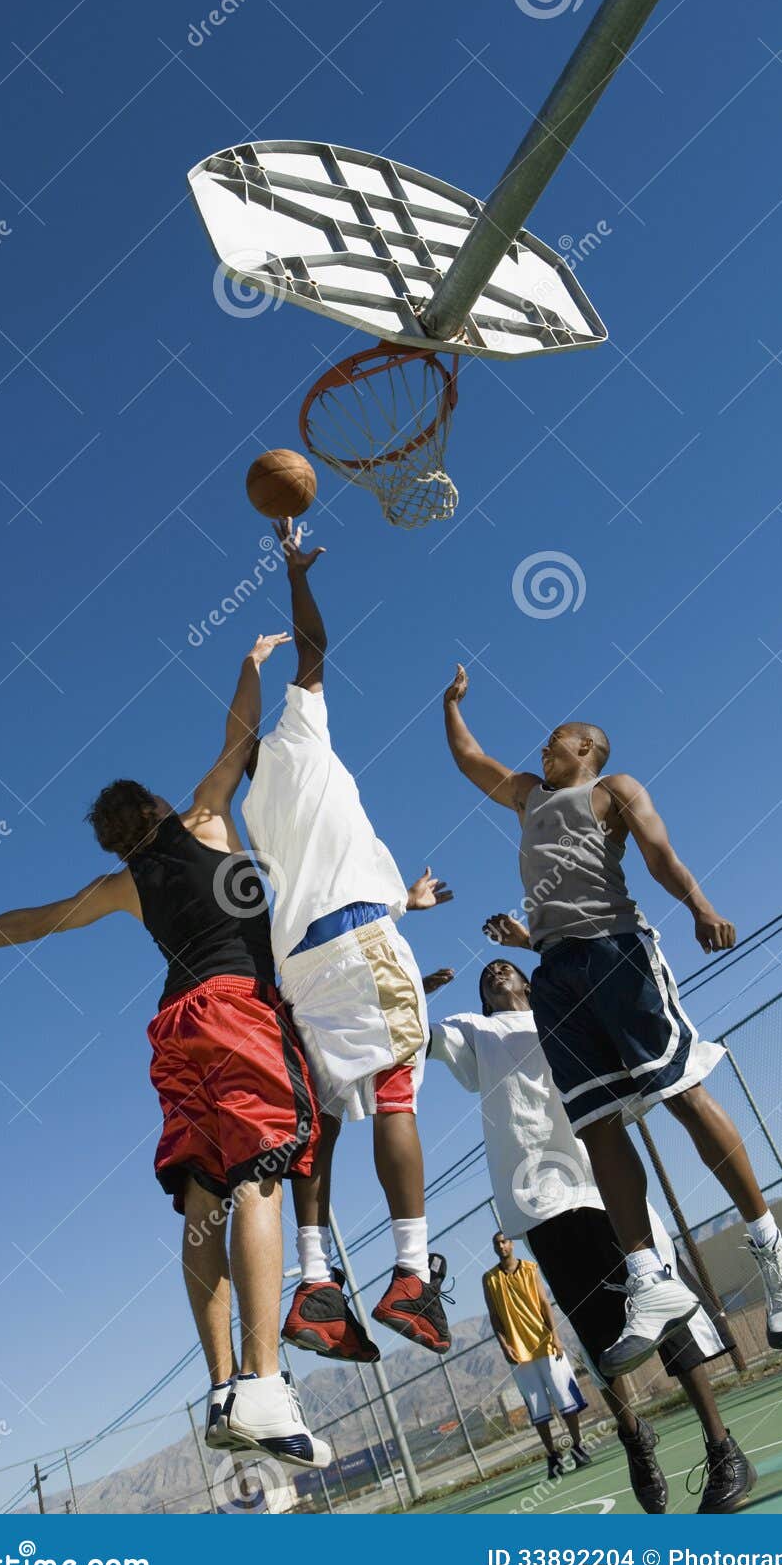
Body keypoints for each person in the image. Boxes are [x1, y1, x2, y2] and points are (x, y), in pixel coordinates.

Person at [0, 633, 330, 1469]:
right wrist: (250, 664)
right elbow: (238, 736)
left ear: (114, 843)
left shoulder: (121, 886)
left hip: (176, 1025)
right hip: (235, 1007)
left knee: (203, 1198)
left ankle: (222, 1390)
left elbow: (26, 924)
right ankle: (265, 1386)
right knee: (261, 1173)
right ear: (156, 808)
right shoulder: (204, 818)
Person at [440, 662, 782, 1374]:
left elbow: (659, 854)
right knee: (597, 1124)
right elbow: (470, 760)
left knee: (681, 1094)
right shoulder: (528, 794)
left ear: (586, 748)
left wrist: (700, 906)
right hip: (555, 972)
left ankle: (772, 1243)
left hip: (617, 953)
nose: (542, 747)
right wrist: (451, 705)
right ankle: (649, 1276)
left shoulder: (615, 789)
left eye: (555, 739)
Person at [424, 957, 756, 1513]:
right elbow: (412, 1034)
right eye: (487, 974)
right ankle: (633, 1436)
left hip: (603, 1180)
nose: (495, 971)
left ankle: (723, 1448)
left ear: (529, 982)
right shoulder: (474, 1031)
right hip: (538, 1198)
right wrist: (416, 988)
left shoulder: (562, 1012)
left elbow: (601, 991)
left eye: (506, 966)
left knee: (667, 1309)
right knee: (596, 1330)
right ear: (482, 999)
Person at [241, 522, 453, 1363]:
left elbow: (323, 866)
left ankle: (315, 1284)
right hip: (357, 938)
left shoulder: (250, 807)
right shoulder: (299, 734)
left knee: (324, 1119)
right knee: (395, 1095)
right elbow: (317, 647)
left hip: (301, 963)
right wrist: (295, 575)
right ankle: (410, 1275)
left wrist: (403, 900)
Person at [482, 1229, 591, 1480]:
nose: (501, 1247)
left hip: (546, 1345)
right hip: (520, 1354)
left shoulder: (531, 1269)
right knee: (538, 1408)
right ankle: (553, 1457)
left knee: (566, 1400)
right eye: (497, 1244)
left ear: (512, 1244)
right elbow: (495, 1317)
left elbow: (544, 1304)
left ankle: (578, 1446)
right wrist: (505, 1346)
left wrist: (555, 1336)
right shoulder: (489, 1279)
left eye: (504, 1242)